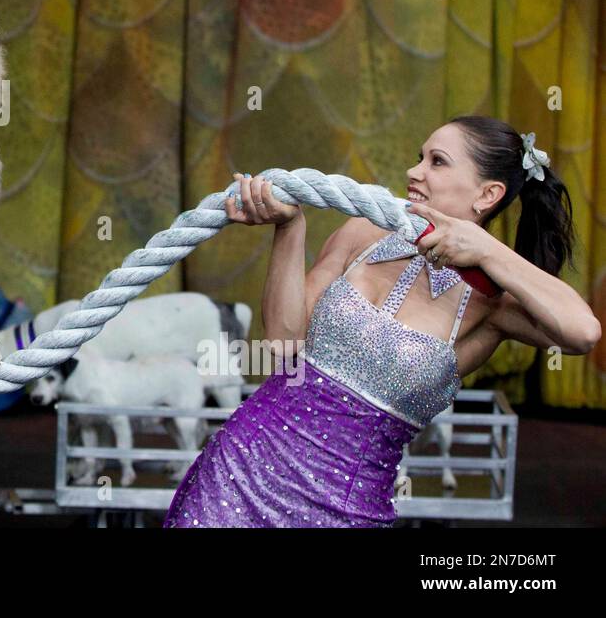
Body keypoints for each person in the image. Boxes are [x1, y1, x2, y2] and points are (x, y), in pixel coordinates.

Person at [164, 116, 600, 527]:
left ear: (487, 195)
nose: (415, 171)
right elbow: (282, 341)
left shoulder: (494, 306)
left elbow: (582, 332)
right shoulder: (362, 234)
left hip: (346, 509)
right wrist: (290, 227)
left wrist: (486, 250)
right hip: (238, 473)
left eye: (437, 162)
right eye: (419, 156)